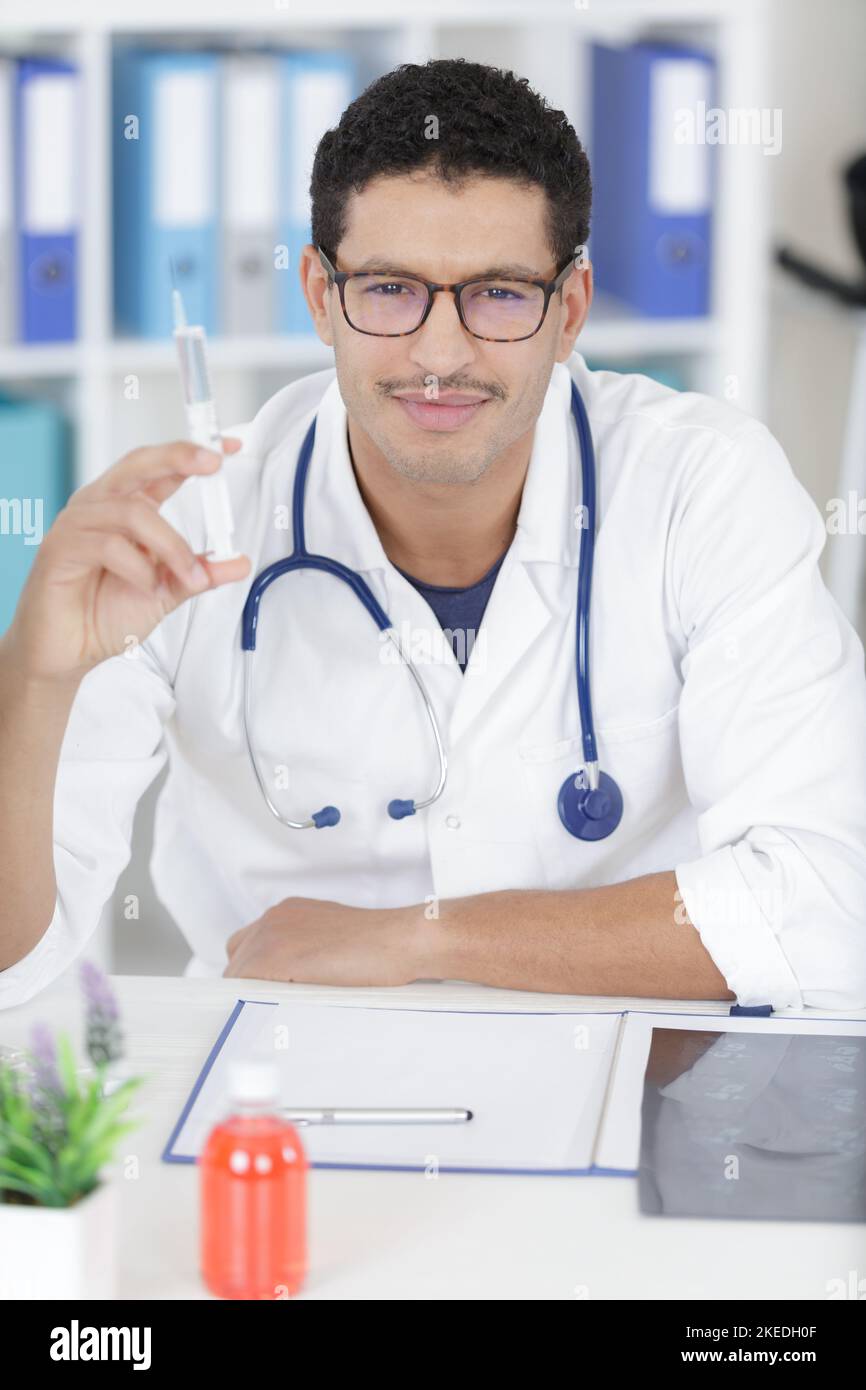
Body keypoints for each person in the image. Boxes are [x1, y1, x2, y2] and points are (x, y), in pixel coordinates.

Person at [1, 59, 864, 1010]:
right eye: (389, 289)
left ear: (568, 310)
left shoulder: (704, 488)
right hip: (277, 1084)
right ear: (321, 297)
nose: (440, 355)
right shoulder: (185, 526)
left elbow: (827, 909)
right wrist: (32, 678)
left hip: (639, 1071)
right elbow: (15, 964)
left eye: (497, 293)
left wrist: (414, 942)